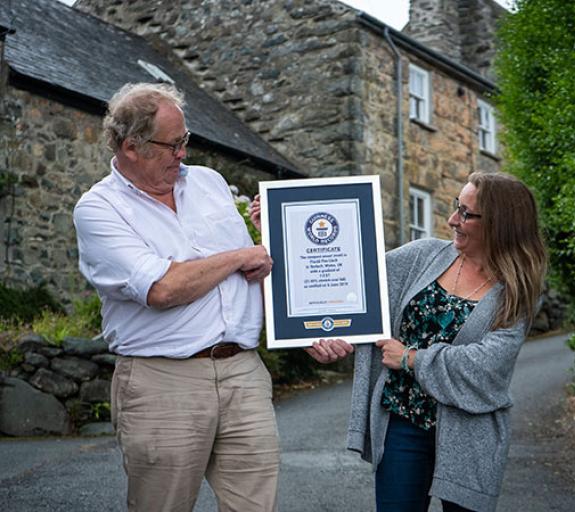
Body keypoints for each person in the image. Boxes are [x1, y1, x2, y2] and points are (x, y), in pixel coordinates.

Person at [73, 83, 279, 512]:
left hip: (243, 371)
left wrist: (311, 322)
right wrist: (241, 255)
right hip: (163, 382)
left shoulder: (210, 182)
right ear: (132, 146)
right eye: (172, 145)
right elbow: (163, 289)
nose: (183, 153)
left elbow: (255, 272)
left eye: (185, 140)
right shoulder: (99, 209)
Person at [304, 172, 547, 512]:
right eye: (456, 207)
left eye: (466, 214)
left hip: (470, 436)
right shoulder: (423, 256)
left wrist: (410, 359)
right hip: (403, 422)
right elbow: (350, 280)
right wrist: (317, 330)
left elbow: (486, 366)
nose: (452, 220)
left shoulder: (517, 291)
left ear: (500, 223)